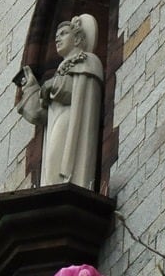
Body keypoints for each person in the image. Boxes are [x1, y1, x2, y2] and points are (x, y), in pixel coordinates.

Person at [17, 14, 104, 190]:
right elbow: (42, 115)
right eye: (57, 35)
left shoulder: (88, 60)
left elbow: (77, 92)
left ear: (77, 38)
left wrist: (52, 85)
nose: (57, 38)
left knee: (56, 159)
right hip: (57, 120)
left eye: (63, 33)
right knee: (51, 164)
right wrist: (31, 88)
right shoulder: (61, 69)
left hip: (72, 121)